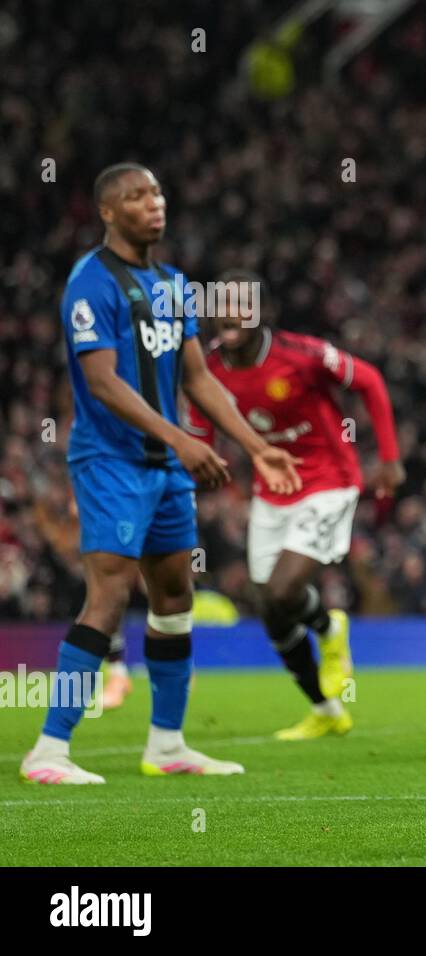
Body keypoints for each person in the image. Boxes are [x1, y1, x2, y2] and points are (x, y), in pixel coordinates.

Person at [21, 163, 301, 785]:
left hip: (164, 467)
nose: (154, 203)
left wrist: (257, 447)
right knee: (110, 593)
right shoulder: (90, 283)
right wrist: (181, 438)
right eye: (136, 196)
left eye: (156, 192)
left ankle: (168, 744)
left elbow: (198, 377)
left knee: (175, 597)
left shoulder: (174, 285)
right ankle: (49, 749)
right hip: (111, 462)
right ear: (108, 212)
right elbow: (102, 380)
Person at [186, 271, 403, 740]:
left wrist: (388, 459)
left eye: (242, 304)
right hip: (271, 491)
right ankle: (325, 709)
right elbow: (203, 431)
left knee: (283, 589)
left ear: (263, 313)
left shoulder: (302, 355)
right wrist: (196, 473)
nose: (230, 313)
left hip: (329, 481)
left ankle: (329, 632)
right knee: (269, 605)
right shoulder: (207, 369)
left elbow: (370, 381)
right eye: (222, 304)